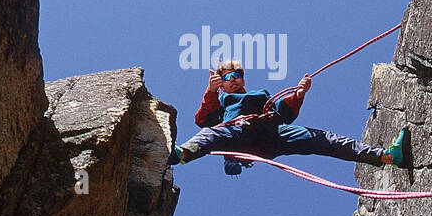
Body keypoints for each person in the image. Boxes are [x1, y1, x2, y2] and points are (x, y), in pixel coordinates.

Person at [169, 60, 409, 175]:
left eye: (237, 75)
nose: (233, 79)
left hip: (269, 133)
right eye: (227, 76)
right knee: (214, 132)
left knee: (323, 139)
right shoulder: (221, 101)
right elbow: (203, 120)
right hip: (237, 135)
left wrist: (299, 93)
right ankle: (184, 153)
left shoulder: (259, 95)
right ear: (220, 83)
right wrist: (210, 92)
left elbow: (284, 112)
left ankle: (387, 157)